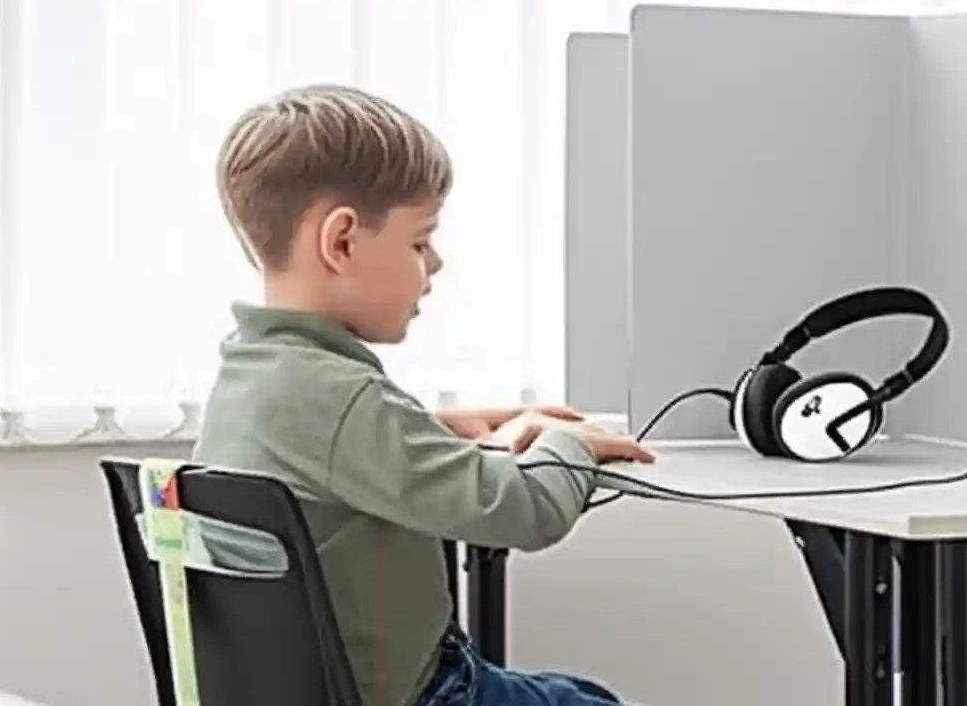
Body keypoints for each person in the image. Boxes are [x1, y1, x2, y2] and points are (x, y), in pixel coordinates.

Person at [193, 83, 655, 706]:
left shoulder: (254, 376)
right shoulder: (342, 399)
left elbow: (330, 456)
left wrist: (434, 425)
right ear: (343, 242)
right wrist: (571, 442)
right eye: (419, 241)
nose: (434, 265)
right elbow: (522, 511)